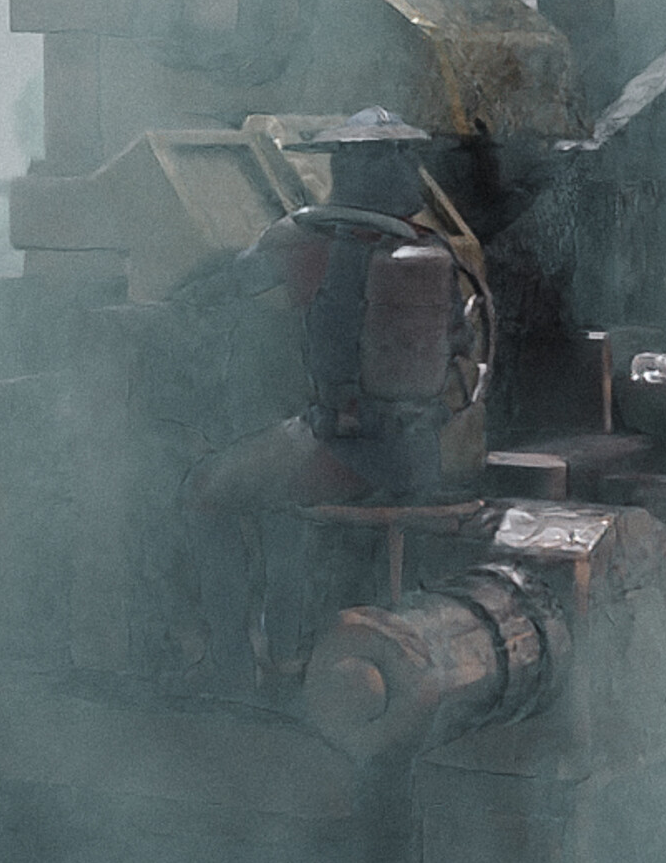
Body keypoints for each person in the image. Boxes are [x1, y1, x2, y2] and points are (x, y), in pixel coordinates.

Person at [175, 110, 492, 688]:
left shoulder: (303, 237)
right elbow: (467, 350)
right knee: (278, 485)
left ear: (343, 167)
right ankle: (290, 648)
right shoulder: (434, 251)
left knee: (205, 490)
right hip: (420, 458)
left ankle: (230, 666)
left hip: (342, 454)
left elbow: (215, 293)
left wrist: (187, 301)